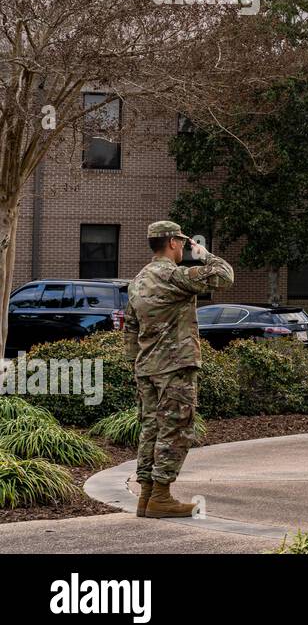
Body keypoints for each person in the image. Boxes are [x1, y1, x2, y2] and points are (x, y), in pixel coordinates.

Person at [123, 221, 234, 518]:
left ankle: (146, 496)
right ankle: (161, 496)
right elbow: (224, 276)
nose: (185, 247)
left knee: (150, 429)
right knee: (176, 429)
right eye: (183, 242)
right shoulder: (173, 276)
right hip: (175, 365)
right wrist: (206, 254)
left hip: (147, 367)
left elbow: (130, 328)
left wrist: (137, 363)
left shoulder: (138, 280)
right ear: (172, 242)